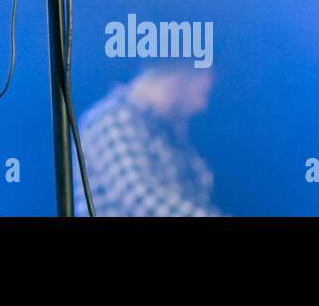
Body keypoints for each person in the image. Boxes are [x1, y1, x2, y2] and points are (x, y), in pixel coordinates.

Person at [73, 64, 224, 216]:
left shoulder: (164, 132)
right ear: (177, 82)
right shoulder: (113, 120)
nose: (202, 106)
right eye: (203, 93)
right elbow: (142, 199)